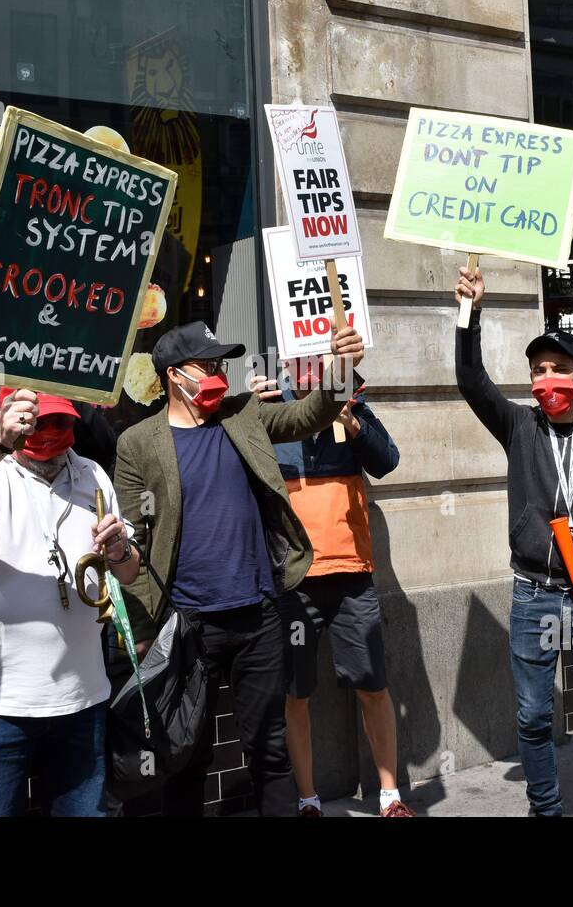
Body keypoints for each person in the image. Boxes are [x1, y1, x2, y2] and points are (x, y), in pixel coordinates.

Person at [114, 321, 364, 817]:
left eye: (218, 365)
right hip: (189, 625)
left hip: (259, 617)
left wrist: (340, 369)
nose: (216, 375)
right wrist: (145, 631)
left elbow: (308, 415)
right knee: (187, 757)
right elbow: (135, 544)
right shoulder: (138, 443)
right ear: (172, 376)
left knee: (271, 752)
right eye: (204, 366)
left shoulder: (243, 414)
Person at [454, 265, 573, 816]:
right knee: (533, 717)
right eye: (538, 370)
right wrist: (470, 312)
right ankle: (546, 809)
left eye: (558, 368)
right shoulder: (519, 427)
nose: (547, 378)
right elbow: (470, 380)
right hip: (534, 594)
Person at [0, 388, 138, 817]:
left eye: (61, 422)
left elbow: (129, 571)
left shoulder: (92, 474)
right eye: (38, 423)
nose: (50, 434)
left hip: (82, 698)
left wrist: (118, 550)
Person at [248, 356, 412, 817]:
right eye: (299, 362)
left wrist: (355, 424)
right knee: (295, 693)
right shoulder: (269, 408)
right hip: (290, 578)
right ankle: (307, 799)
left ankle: (389, 794)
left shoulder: (352, 402)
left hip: (350, 573)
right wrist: (245, 411)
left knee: (372, 685)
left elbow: (388, 462)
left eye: (319, 362)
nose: (308, 369)